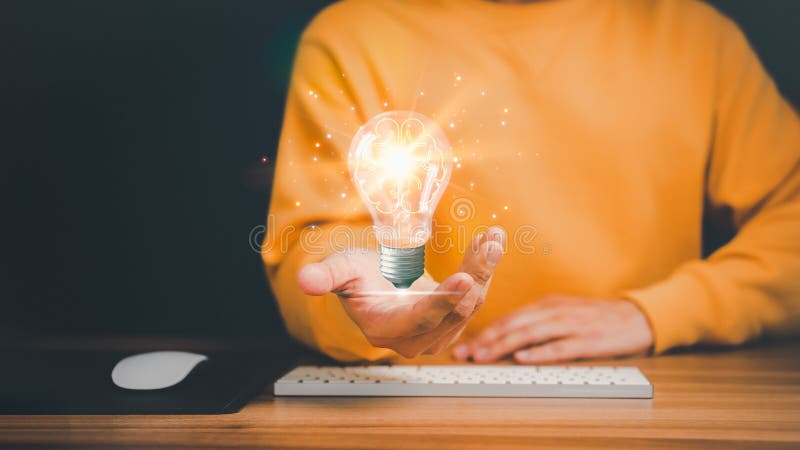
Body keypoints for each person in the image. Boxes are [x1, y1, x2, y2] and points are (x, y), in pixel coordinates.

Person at [262, 0, 800, 363]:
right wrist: (371, 305)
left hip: (640, 395)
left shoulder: (693, 38)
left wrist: (661, 312)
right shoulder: (355, 35)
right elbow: (312, 250)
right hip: (409, 400)